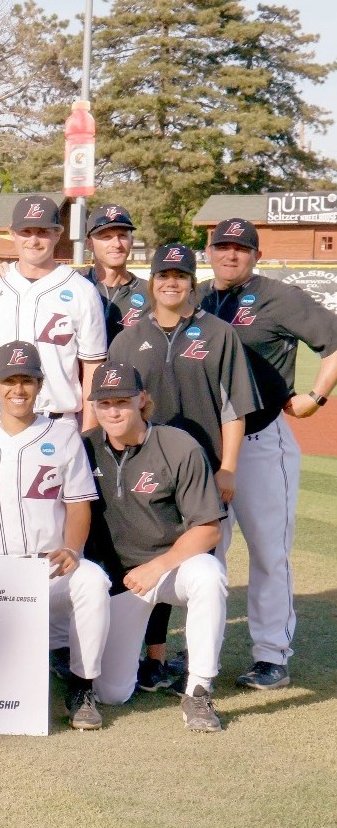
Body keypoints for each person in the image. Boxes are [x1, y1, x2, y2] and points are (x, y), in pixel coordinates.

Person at [108, 244, 259, 690]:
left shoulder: (218, 333)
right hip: (143, 467)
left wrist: (228, 467)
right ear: (151, 281)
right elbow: (113, 404)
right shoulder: (129, 338)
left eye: (180, 275)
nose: (170, 282)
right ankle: (153, 659)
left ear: (193, 282)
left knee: (202, 566)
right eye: (163, 275)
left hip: (203, 470)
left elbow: (233, 408)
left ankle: (195, 670)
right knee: (146, 555)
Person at [197, 217, 337, 690]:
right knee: (204, 553)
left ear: (255, 255)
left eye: (241, 247)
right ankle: (200, 656)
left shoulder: (280, 297)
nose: (231, 254)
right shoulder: (197, 297)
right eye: (222, 246)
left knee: (268, 553)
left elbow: (334, 342)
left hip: (260, 442)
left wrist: (315, 398)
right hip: (205, 449)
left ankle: (271, 654)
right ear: (209, 250)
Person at [0, 342, 111, 731]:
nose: (18, 390)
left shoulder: (62, 435)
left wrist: (73, 549)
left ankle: (82, 685)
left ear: (40, 384)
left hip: (47, 570)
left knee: (92, 581)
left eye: (27, 380)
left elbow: (79, 505)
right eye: (10, 381)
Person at [80, 363, 228, 731]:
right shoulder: (83, 448)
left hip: (170, 570)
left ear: (142, 400)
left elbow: (208, 530)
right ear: (94, 405)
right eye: (104, 402)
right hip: (119, 584)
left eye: (123, 402)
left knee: (209, 575)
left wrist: (158, 566)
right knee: (113, 693)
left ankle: (199, 690)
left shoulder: (178, 446)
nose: (113, 411)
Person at [0, 195, 107, 428]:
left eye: (43, 231)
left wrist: (89, 433)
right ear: (12, 233)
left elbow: (92, 366)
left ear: (58, 234)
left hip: (55, 421)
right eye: (26, 231)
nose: (34, 240)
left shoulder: (81, 291)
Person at [84, 205, 145, 340]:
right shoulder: (77, 285)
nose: (116, 244)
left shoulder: (151, 294)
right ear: (89, 244)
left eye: (122, 236)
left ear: (132, 241)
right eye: (106, 237)